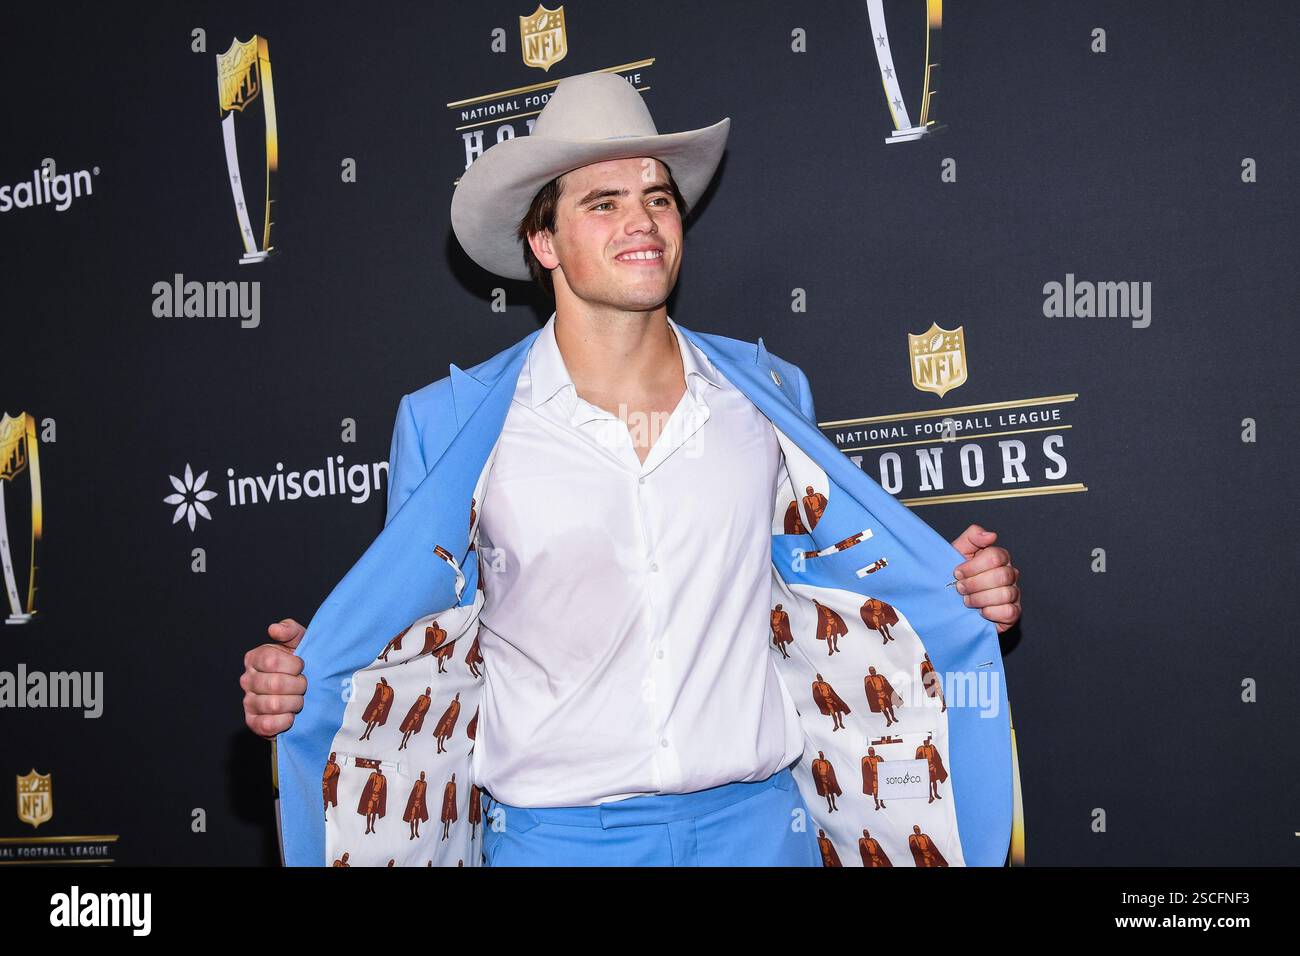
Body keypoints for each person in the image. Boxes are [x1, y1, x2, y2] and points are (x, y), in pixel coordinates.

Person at [239, 71, 1021, 866]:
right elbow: (412, 632)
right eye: (602, 202)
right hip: (556, 843)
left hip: (761, 831)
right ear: (543, 243)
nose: (643, 222)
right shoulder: (448, 425)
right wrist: (321, 674)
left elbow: (834, 594)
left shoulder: (769, 398)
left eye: (658, 196)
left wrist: (959, 591)